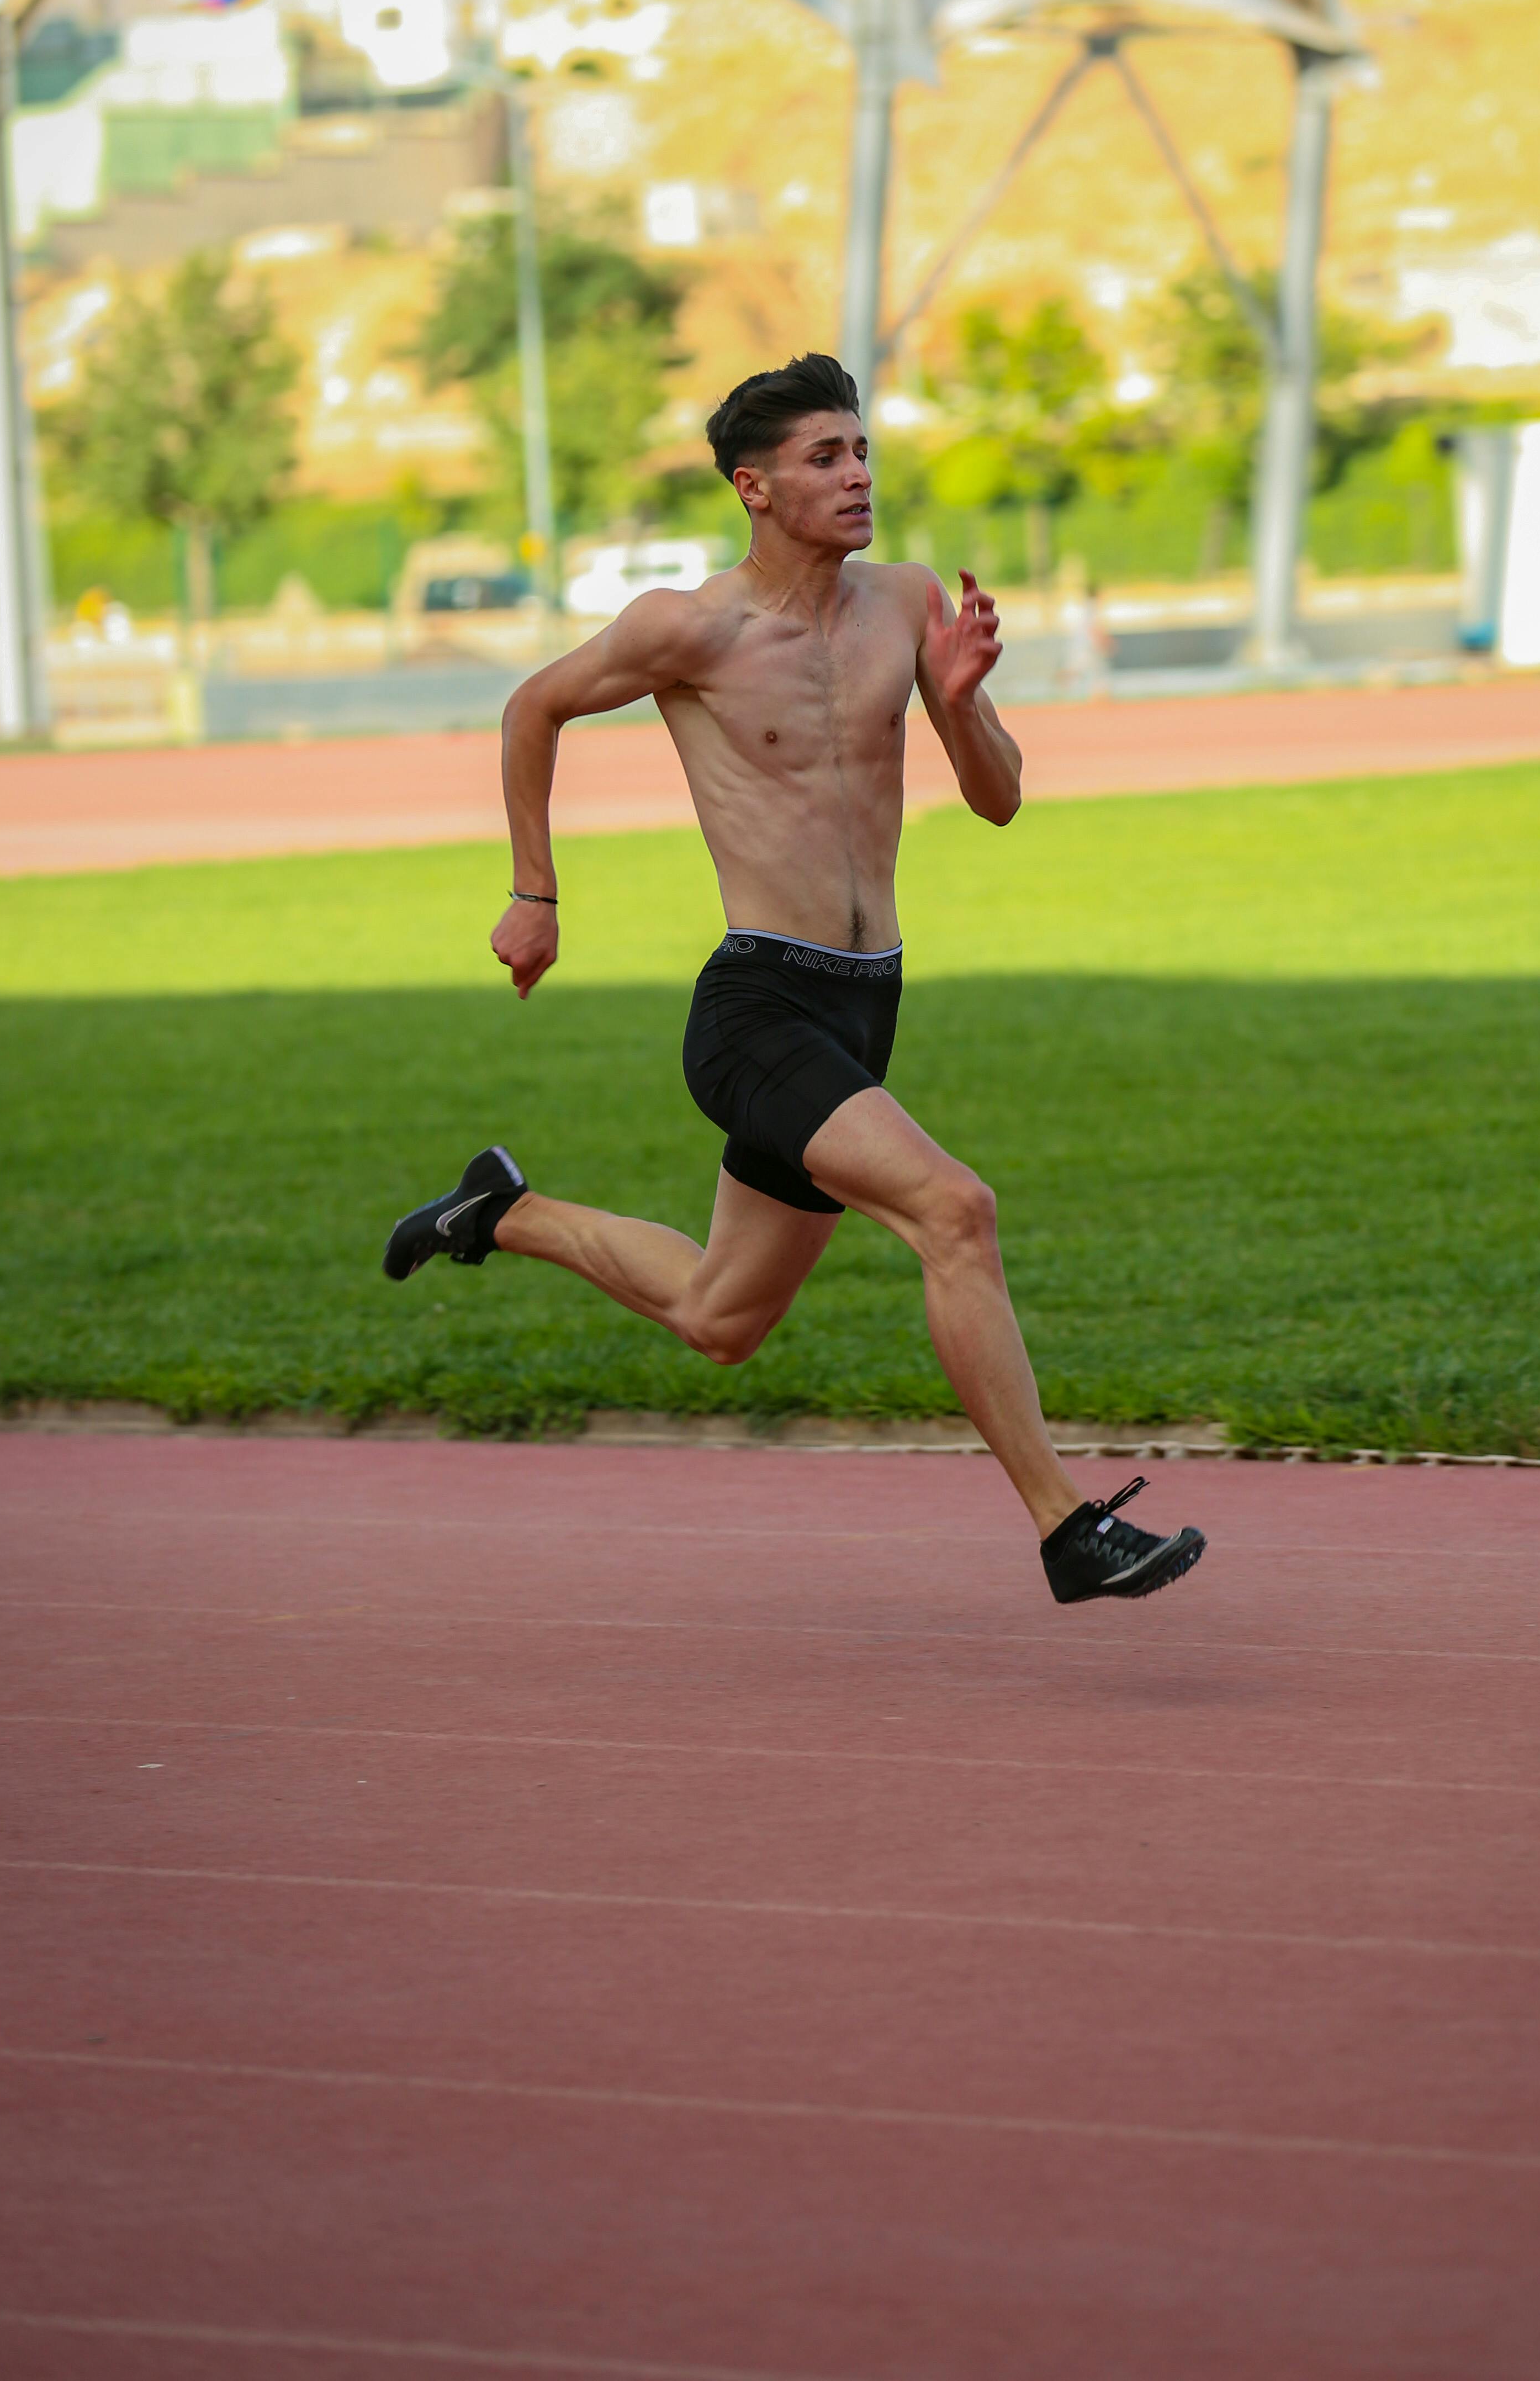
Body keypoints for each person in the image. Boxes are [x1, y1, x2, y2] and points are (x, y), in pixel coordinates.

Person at [382, 352, 1204, 1609]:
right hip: (758, 1007)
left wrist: (969, 705)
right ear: (753, 486)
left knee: (722, 1319)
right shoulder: (690, 629)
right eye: (827, 458)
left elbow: (998, 802)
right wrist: (535, 895)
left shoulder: (905, 605)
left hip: (866, 1003)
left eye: (863, 451)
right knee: (954, 1209)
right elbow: (532, 708)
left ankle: (498, 1213)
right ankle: (1065, 1527)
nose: (859, 475)